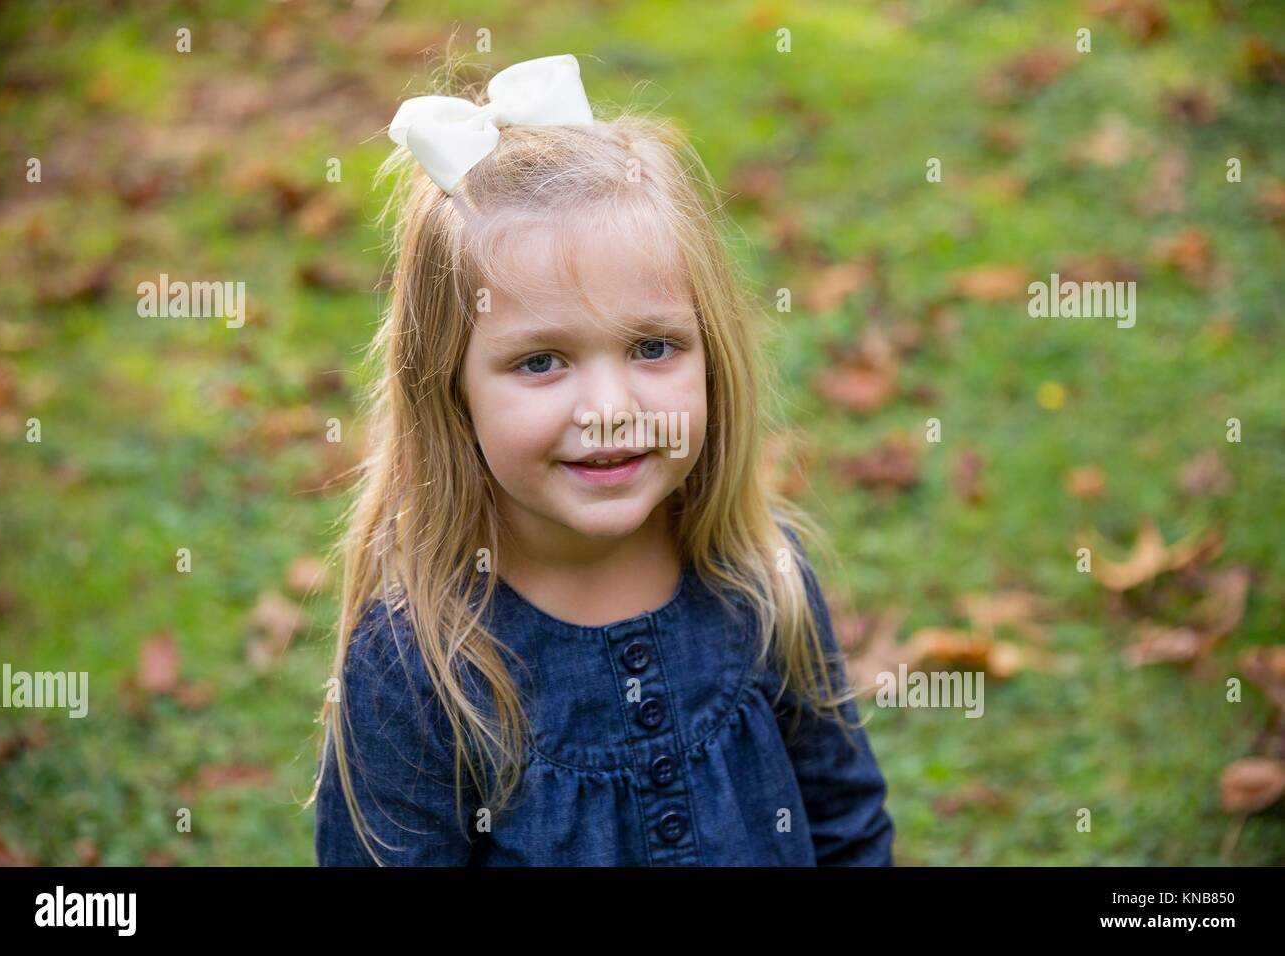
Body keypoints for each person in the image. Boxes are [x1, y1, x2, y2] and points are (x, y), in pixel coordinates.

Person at [310, 53, 894, 866]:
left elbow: (846, 827)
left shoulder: (763, 580)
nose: (612, 412)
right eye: (542, 361)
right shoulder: (420, 666)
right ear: (450, 391)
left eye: (653, 347)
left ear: (713, 357)